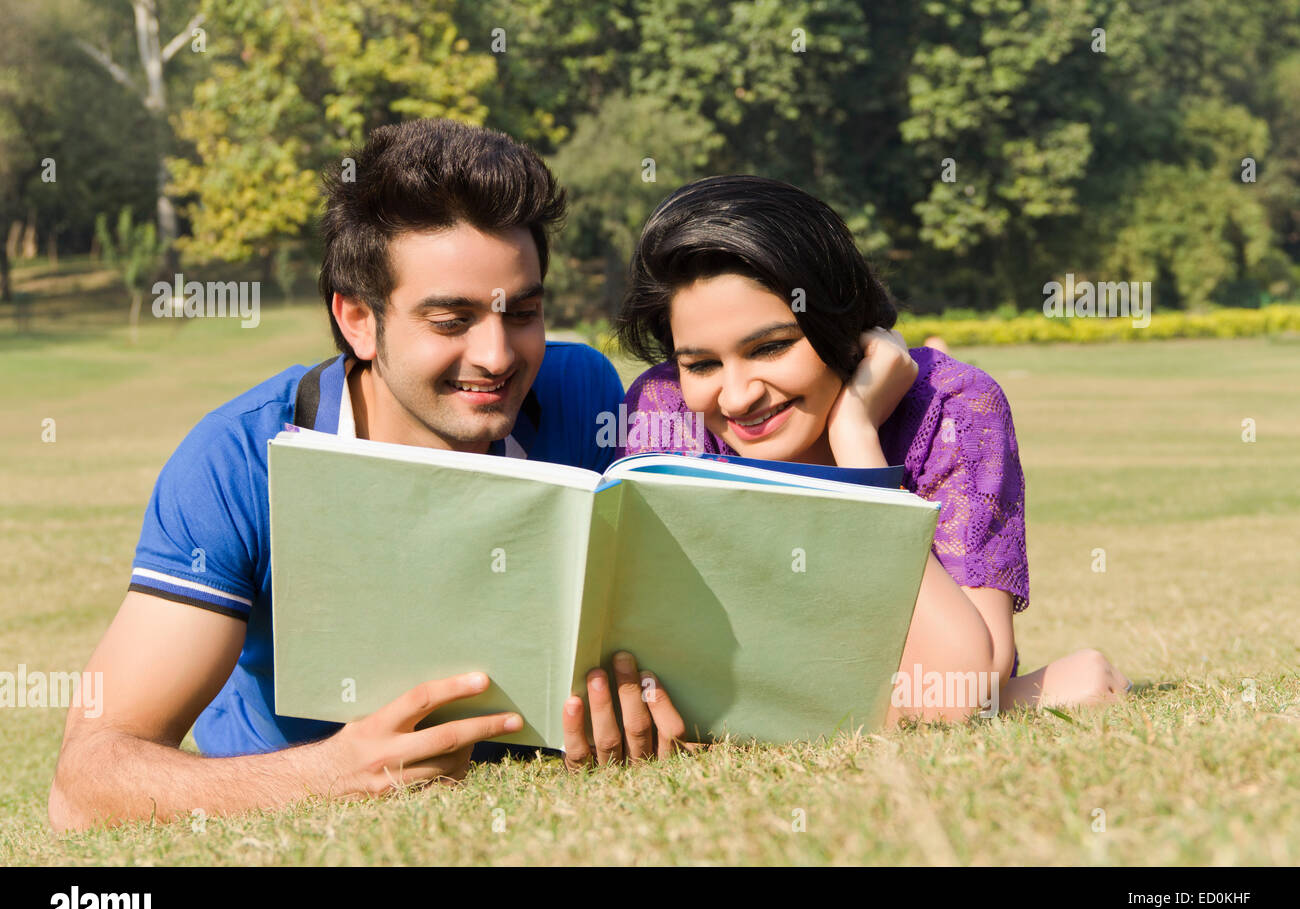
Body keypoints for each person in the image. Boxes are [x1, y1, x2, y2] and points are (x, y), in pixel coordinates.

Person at [47, 118, 686, 832]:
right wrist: (326, 774)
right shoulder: (237, 459)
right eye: (451, 320)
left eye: (524, 312)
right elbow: (86, 782)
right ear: (357, 319)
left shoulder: (582, 395)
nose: (499, 355)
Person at [612, 175, 1130, 722]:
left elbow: (954, 688)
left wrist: (857, 441)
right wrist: (1017, 697)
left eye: (771, 347)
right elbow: (661, 680)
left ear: (842, 325)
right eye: (701, 364)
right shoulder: (667, 415)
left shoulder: (952, 409)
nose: (738, 398)